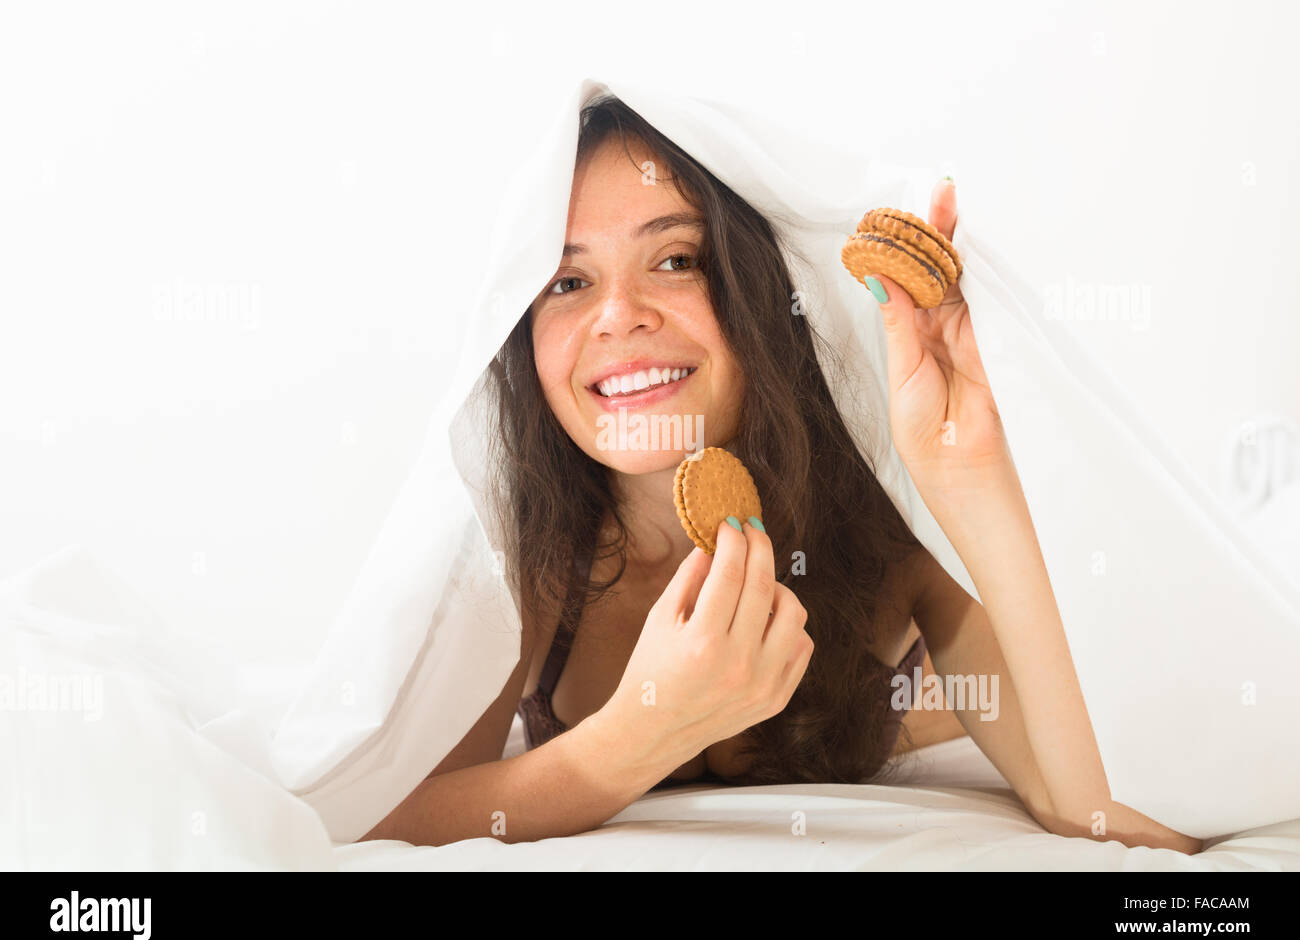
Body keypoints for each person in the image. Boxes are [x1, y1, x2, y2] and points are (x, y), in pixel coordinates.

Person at [360, 95, 1201, 855]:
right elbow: (378, 816)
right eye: (569, 281)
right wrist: (633, 737)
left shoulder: (886, 541)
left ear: (762, 293)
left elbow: (1110, 819)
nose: (619, 316)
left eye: (677, 259)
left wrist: (970, 471)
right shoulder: (528, 564)